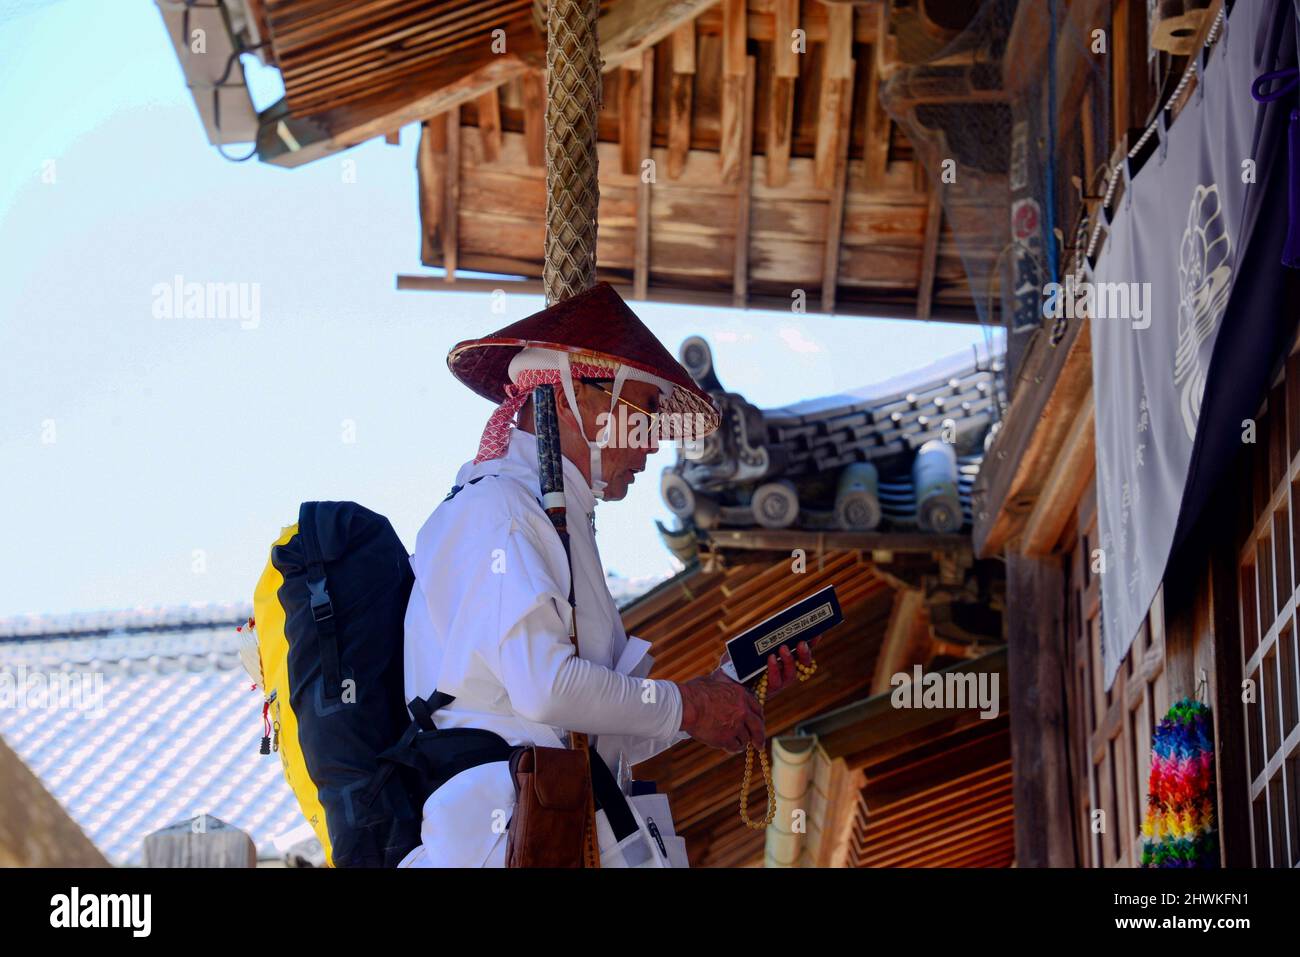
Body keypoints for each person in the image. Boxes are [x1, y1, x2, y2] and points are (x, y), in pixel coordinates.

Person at [399, 283, 813, 867]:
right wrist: (690, 705)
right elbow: (547, 690)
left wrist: (717, 692)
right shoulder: (502, 510)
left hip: (543, 831)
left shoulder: (540, 516)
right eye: (643, 412)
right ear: (574, 398)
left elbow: (587, 728)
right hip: (502, 840)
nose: (651, 445)